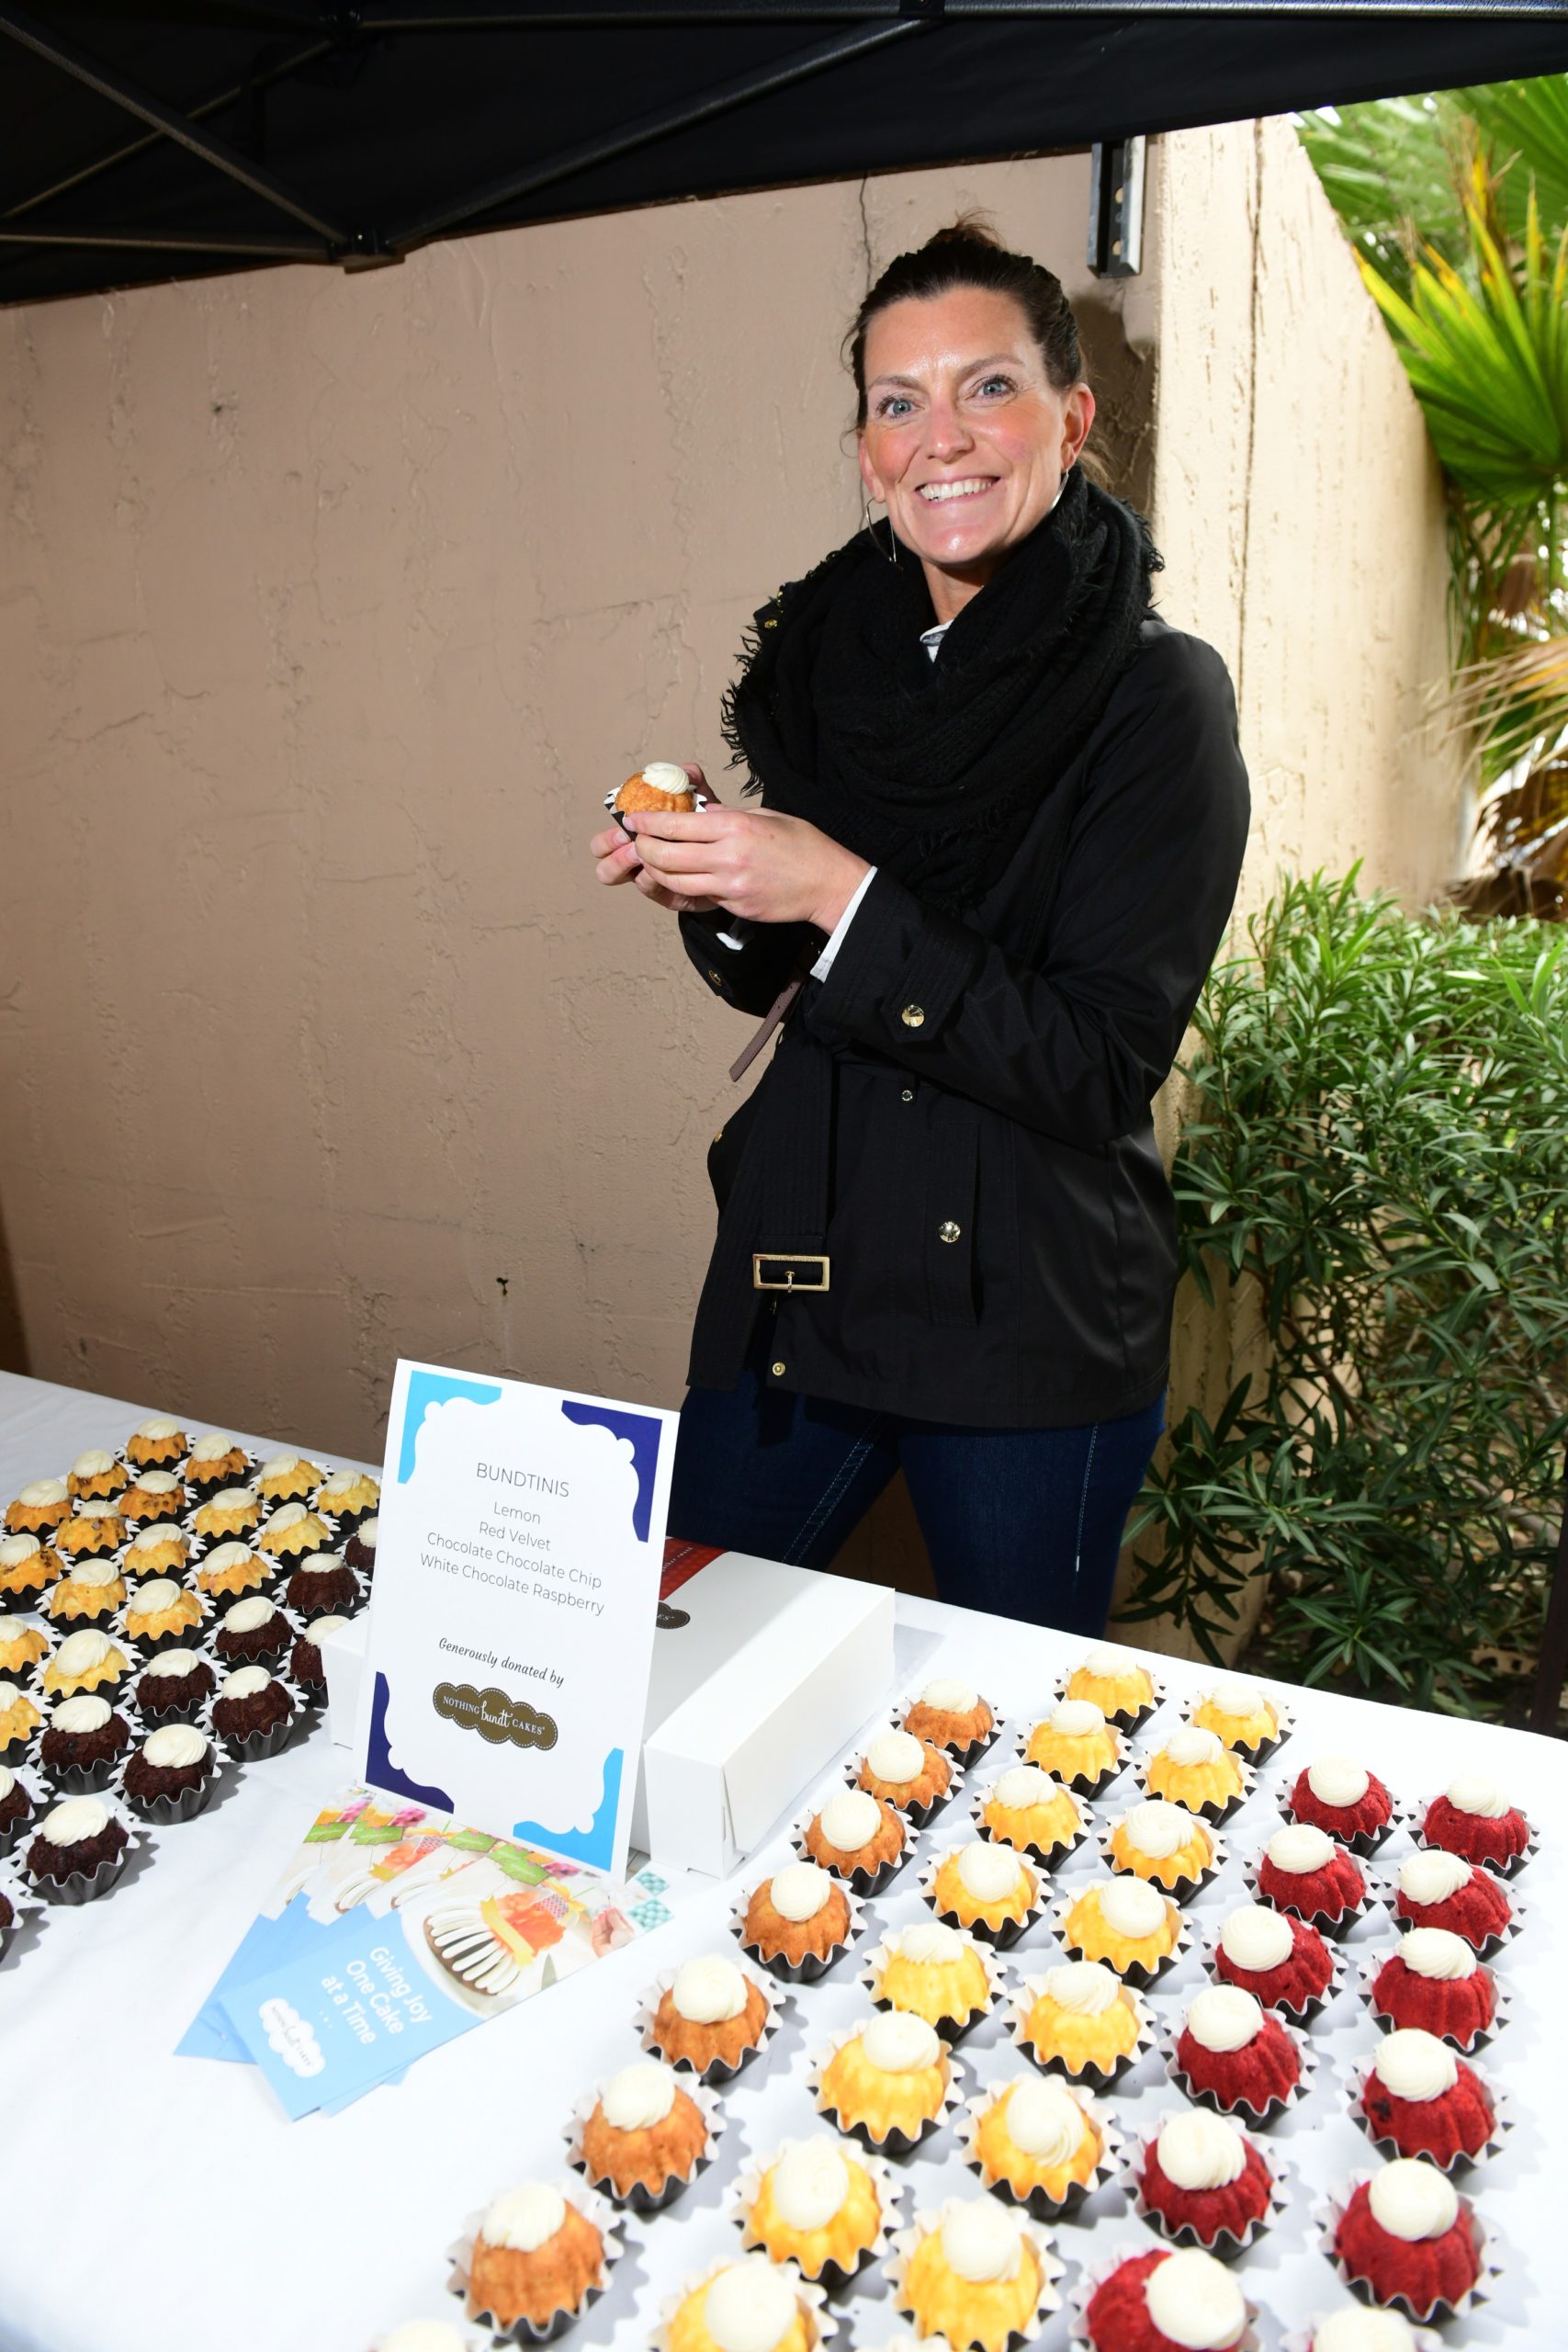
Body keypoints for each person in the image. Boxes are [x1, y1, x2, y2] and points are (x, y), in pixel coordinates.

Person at [589, 217, 1249, 1633]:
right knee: (676, 1655)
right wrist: (716, 885)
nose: (940, 436)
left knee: (1015, 1748)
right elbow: (806, 979)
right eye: (899, 402)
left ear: (1071, 419)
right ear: (866, 447)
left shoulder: (1160, 701)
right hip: (802, 1284)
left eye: (986, 387)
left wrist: (836, 887)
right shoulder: (841, 674)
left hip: (1027, 1332)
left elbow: (1092, 1065)